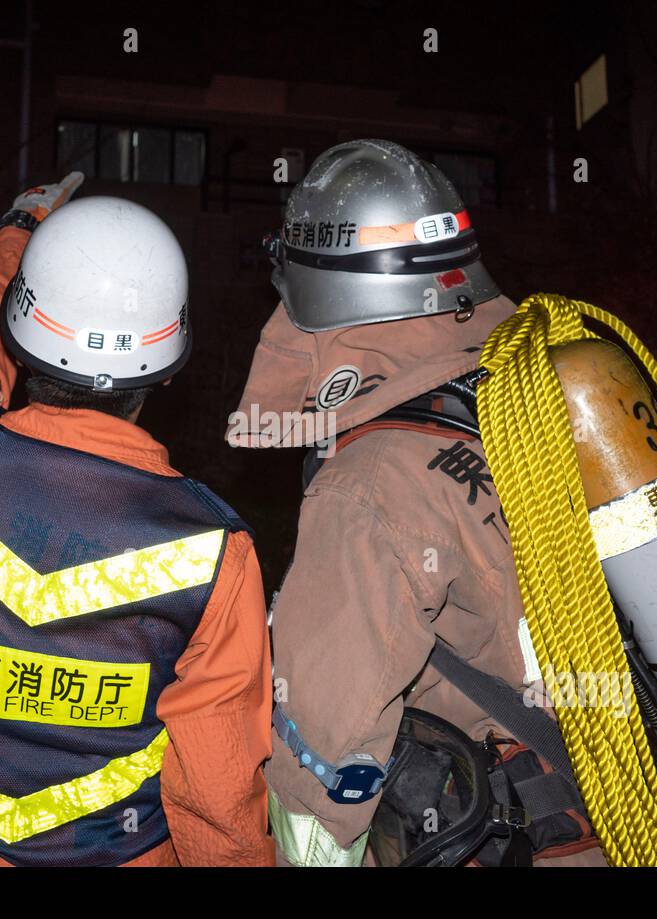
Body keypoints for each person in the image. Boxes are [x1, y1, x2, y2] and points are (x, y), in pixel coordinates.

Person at [0, 173, 274, 866]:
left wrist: (18, 230)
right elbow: (218, 794)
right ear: (168, 371)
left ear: (18, 340)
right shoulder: (213, 551)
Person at [229, 140, 607, 865]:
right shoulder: (552, 392)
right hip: (653, 816)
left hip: (527, 842)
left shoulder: (368, 488)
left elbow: (323, 771)